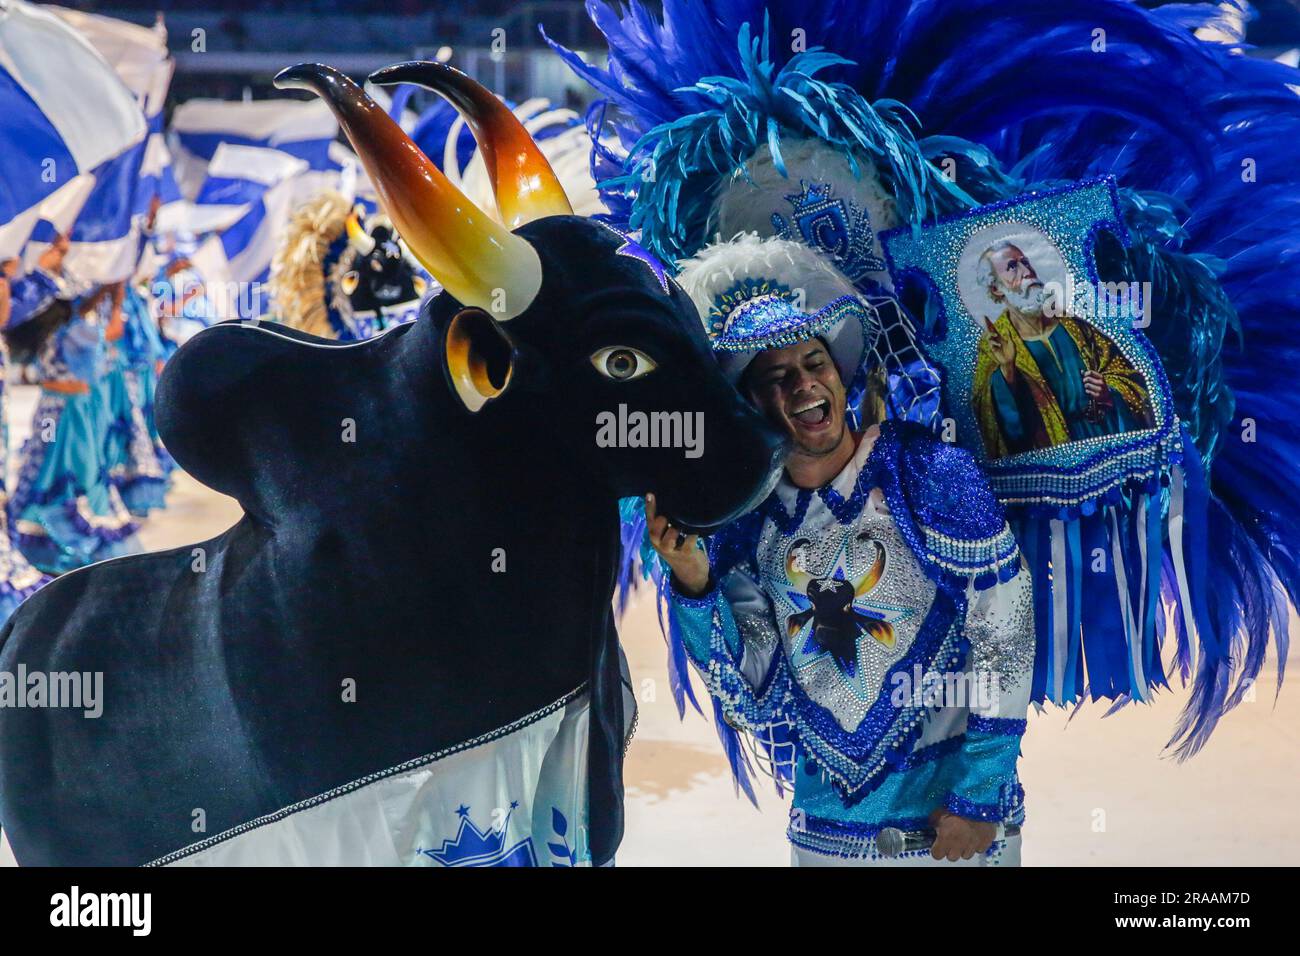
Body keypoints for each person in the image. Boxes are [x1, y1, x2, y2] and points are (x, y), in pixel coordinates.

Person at [647, 235, 1033, 865]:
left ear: (839, 373)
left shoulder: (928, 474)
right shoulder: (746, 526)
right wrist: (695, 586)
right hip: (828, 838)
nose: (803, 385)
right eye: (776, 377)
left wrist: (980, 794)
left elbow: (1005, 625)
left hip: (950, 829)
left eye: (813, 363)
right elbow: (754, 693)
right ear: (748, 403)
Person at [971, 241, 1152, 458]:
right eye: (1012, 267)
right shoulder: (995, 343)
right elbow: (996, 426)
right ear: (996, 288)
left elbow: (1127, 377)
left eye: (1026, 262)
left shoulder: (1074, 325)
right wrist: (1007, 370)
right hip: (1056, 460)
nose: (1027, 272)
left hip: (1108, 441)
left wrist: (1108, 391)